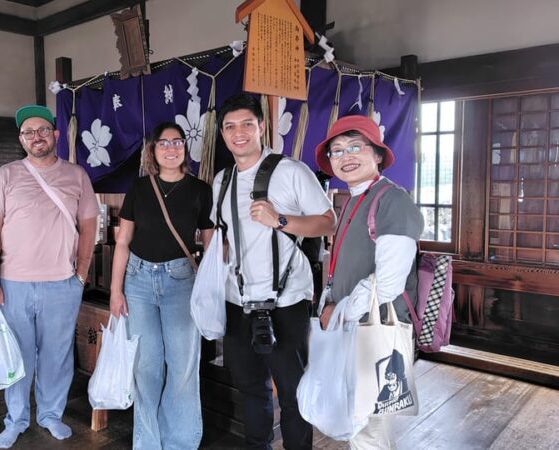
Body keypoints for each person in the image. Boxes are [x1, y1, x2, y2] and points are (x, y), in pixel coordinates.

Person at [211, 93, 335, 450]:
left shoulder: (291, 171)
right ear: (222, 134)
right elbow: (226, 239)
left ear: (262, 127)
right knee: (251, 389)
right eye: (231, 127)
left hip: (286, 302)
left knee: (294, 393)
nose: (239, 133)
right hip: (238, 302)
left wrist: (281, 220)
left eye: (247, 124)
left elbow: (329, 222)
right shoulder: (222, 181)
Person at [0, 104, 99, 449]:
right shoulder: (7, 174)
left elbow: (89, 225)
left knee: (57, 353)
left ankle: (50, 414)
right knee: (17, 354)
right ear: (21, 139)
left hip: (63, 282)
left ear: (55, 135)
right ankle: (16, 418)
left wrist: (81, 273)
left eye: (43, 130)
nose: (37, 137)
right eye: (29, 132)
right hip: (14, 282)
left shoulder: (76, 175)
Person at [314, 115, 423, 450]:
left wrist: (341, 310)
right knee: (356, 421)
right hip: (351, 327)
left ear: (377, 154)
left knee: (371, 430)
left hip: (378, 332)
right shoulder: (354, 199)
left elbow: (389, 282)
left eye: (355, 146)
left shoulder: (393, 200)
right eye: (337, 150)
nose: (346, 156)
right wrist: (329, 306)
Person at [109, 122, 215, 450]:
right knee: (146, 364)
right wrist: (115, 290)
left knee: (182, 364)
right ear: (153, 151)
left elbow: (210, 247)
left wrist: (211, 291)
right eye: (163, 143)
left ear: (185, 148)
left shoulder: (200, 190)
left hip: (182, 282)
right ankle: (148, 442)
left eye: (177, 142)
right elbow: (123, 240)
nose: (171, 148)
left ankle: (180, 442)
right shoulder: (140, 188)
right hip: (138, 281)